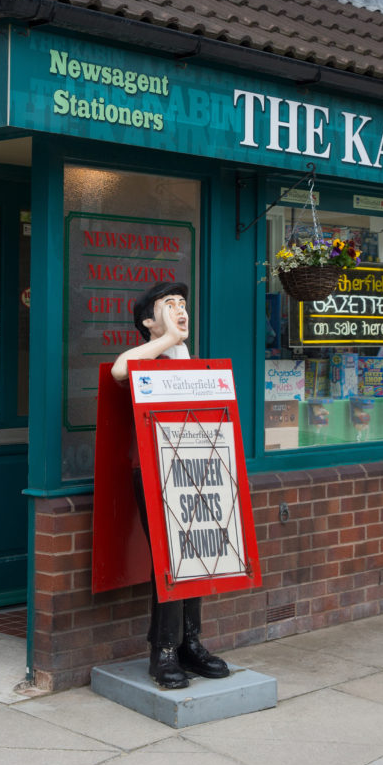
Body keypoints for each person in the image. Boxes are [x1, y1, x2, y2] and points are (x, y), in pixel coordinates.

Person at [111, 281, 230, 690]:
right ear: (148, 321)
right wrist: (167, 340)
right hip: (154, 471)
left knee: (195, 554)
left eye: (183, 304)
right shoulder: (147, 359)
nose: (181, 310)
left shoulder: (193, 364)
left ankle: (190, 642)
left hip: (197, 469)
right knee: (170, 559)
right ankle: (163, 650)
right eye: (168, 305)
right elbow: (120, 370)